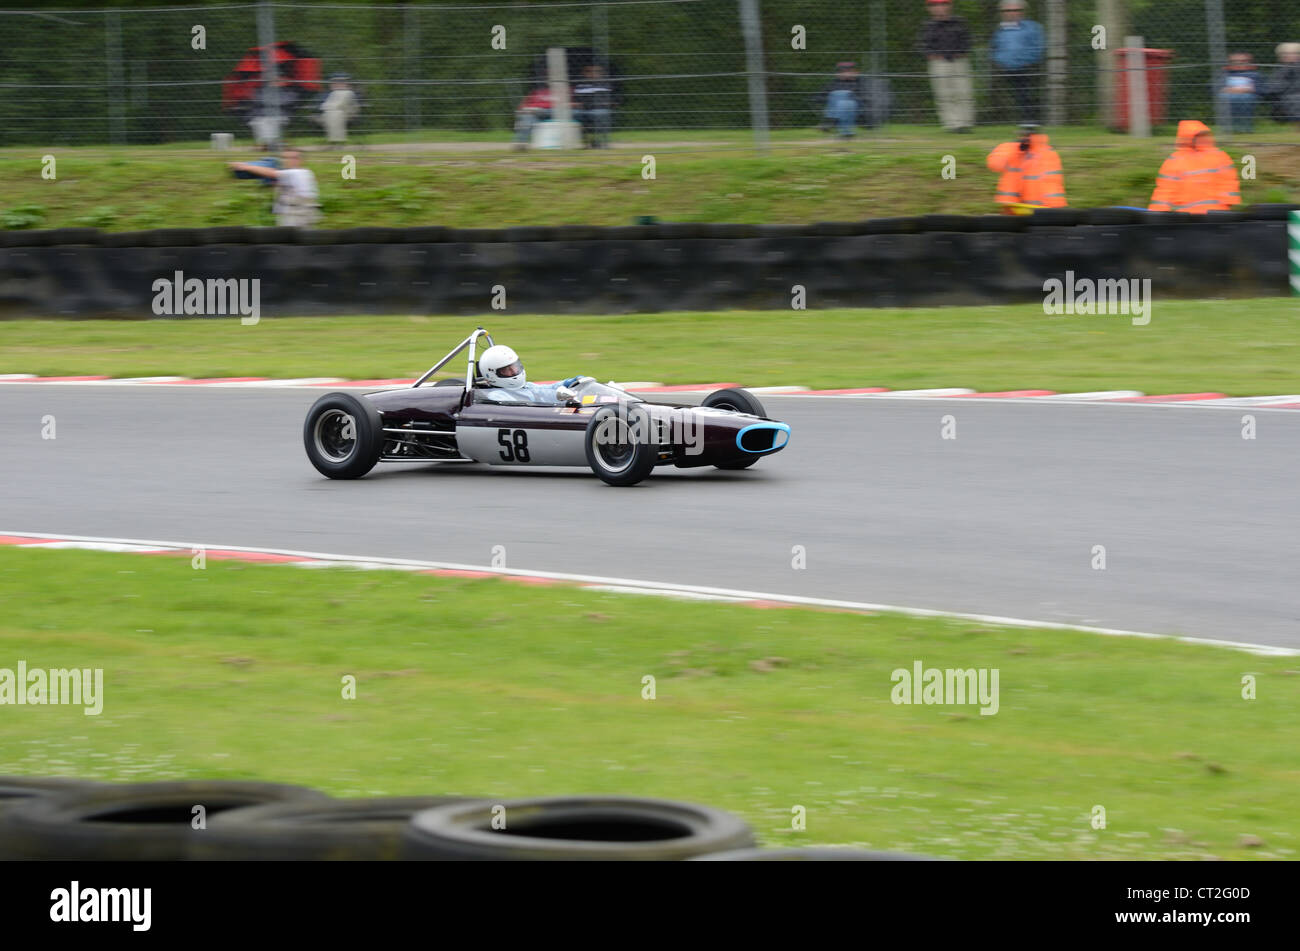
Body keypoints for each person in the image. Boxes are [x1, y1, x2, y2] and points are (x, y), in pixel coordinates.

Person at [1148, 120, 1240, 214]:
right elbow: (1165, 189)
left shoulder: (1219, 156)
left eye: (1201, 136)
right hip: (1188, 217)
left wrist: (1228, 202)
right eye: (1196, 136)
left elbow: (1228, 181)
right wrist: (1158, 213)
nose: (1198, 139)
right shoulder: (1174, 160)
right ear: (1186, 138)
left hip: (1215, 215)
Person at [918, 0, 974, 133]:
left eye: (943, 4)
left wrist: (963, 53)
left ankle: (965, 123)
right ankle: (951, 125)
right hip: (939, 63)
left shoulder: (959, 22)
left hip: (959, 62)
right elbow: (922, 45)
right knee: (944, 94)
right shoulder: (928, 26)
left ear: (950, 6)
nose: (940, 8)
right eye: (935, 5)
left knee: (964, 92)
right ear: (930, 8)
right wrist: (932, 55)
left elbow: (968, 40)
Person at [228, 147, 321, 227]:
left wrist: (245, 167)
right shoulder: (295, 174)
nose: (287, 160)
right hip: (293, 215)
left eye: (293, 158)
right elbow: (277, 183)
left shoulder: (299, 173)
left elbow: (272, 173)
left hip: (298, 217)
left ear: (301, 160)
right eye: (284, 158)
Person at [985, 124, 1066, 212]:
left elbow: (996, 165)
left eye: (1027, 135)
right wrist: (1013, 148)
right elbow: (995, 165)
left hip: (1042, 208)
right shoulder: (1049, 151)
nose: (1025, 138)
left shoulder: (1045, 153)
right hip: (1020, 207)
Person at [989, 0, 1045, 125]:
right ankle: (1024, 121)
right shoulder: (1000, 30)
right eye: (1008, 10)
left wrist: (1025, 61)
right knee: (1017, 96)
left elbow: (1038, 47)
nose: (1012, 13)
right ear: (1002, 13)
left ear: (1022, 12)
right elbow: (995, 48)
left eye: (1016, 10)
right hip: (1007, 69)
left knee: (1027, 95)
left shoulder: (1032, 27)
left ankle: (1031, 121)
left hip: (1028, 68)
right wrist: (1001, 61)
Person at [477, 345, 586, 404]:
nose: (514, 372)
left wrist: (568, 383)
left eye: (514, 367)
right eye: (507, 370)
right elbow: (519, 409)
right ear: (492, 374)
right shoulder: (497, 396)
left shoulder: (525, 387)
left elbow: (545, 390)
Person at [573, 64, 614, 148]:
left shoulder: (606, 84)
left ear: (601, 73)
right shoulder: (580, 85)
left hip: (600, 109)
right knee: (574, 114)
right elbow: (576, 101)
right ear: (584, 73)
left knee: (600, 114)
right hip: (582, 110)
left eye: (596, 71)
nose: (592, 74)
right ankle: (586, 142)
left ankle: (601, 141)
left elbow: (612, 101)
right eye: (588, 71)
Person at [817, 62, 864, 138]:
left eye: (848, 71)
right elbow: (818, 98)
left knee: (842, 96)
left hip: (856, 107)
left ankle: (832, 121)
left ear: (856, 72)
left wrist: (847, 96)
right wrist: (833, 99)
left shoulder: (861, 82)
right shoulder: (832, 83)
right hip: (836, 108)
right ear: (837, 74)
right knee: (837, 95)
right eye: (842, 71)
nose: (845, 73)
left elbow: (865, 98)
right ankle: (845, 132)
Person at [1218, 53, 1261, 133]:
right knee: (1224, 97)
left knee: (1245, 98)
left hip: (1247, 96)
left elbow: (1258, 89)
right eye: (1235, 61)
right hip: (1228, 95)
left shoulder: (1254, 74)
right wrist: (1241, 90)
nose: (1238, 63)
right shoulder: (1225, 75)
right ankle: (1228, 128)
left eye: (1242, 61)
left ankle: (1245, 128)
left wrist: (1239, 90)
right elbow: (1219, 88)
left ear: (1249, 62)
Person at [1262, 43, 1300, 131]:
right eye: (1285, 54)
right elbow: (1273, 88)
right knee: (1295, 99)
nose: (1288, 56)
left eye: (1295, 53)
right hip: (1285, 98)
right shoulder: (1279, 70)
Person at [316, 75, 360, 144]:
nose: (336, 85)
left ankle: (338, 139)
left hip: (348, 113)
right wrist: (330, 107)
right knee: (330, 114)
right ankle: (334, 139)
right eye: (335, 83)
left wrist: (330, 107)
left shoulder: (348, 92)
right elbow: (324, 105)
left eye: (339, 83)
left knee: (335, 113)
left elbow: (342, 105)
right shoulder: (333, 93)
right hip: (333, 112)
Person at [512, 85, 553, 151]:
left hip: (545, 110)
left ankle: (520, 143)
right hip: (532, 112)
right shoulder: (535, 92)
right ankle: (521, 144)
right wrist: (521, 110)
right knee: (528, 118)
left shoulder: (555, 91)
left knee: (527, 117)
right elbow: (524, 103)